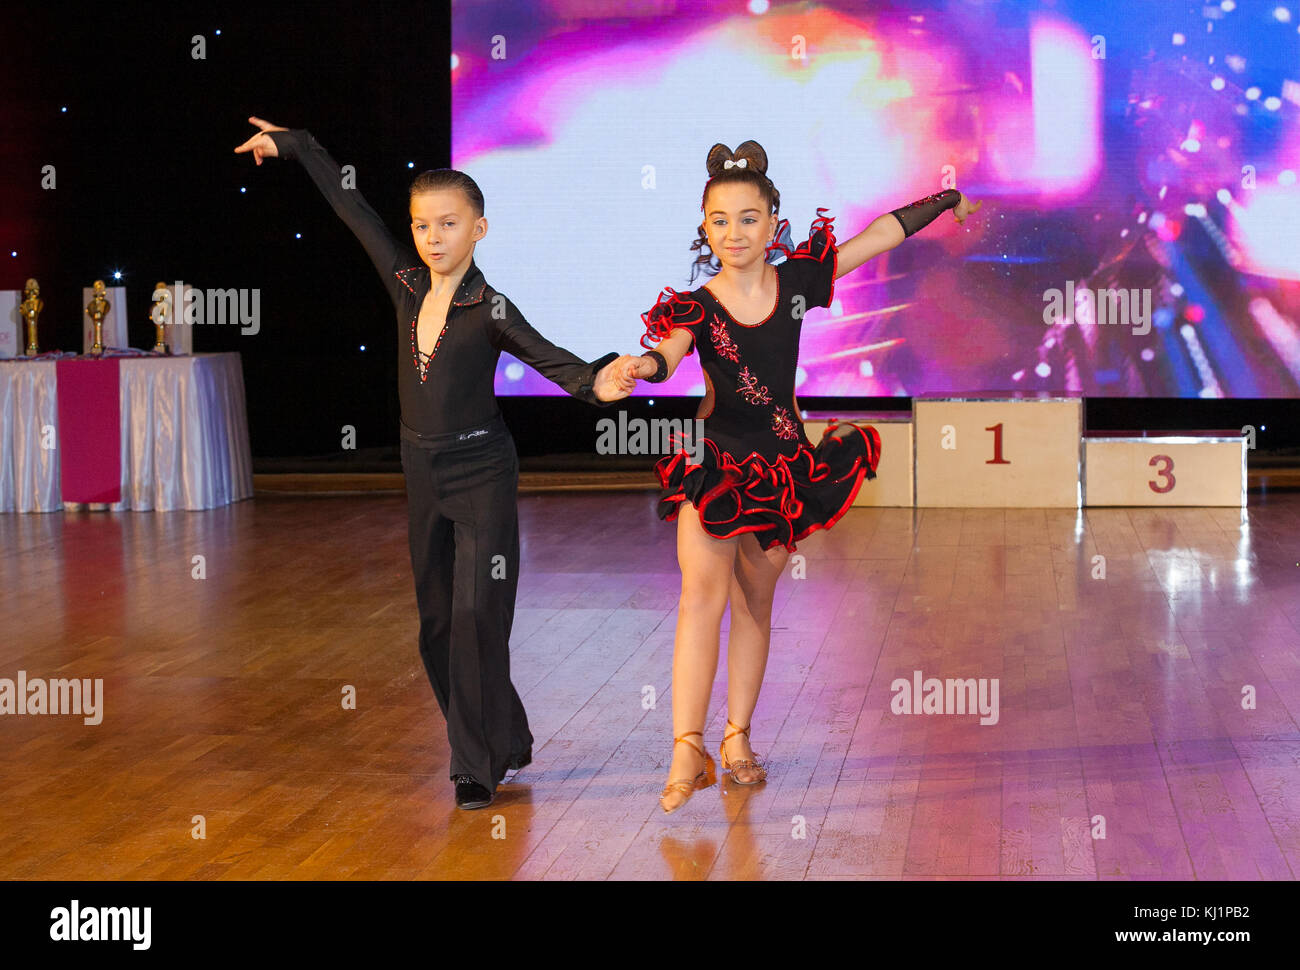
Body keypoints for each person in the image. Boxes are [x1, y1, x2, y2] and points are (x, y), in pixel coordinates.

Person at [235, 116, 637, 810]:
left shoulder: (492, 308)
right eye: (422, 226)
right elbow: (349, 206)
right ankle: (502, 735)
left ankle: (472, 768)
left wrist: (597, 382)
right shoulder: (404, 284)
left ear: (479, 229)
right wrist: (299, 143)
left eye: (448, 225)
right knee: (439, 627)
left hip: (483, 473)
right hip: (421, 473)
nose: (433, 238)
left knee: (479, 616)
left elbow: (549, 357)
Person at [624, 141, 981, 812]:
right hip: (712, 464)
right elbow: (664, 358)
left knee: (755, 604)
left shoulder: (798, 283)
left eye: (749, 218)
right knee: (700, 597)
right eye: (721, 220)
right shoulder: (694, 308)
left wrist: (946, 199)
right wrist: (636, 370)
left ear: (773, 222)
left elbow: (877, 237)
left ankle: (735, 740)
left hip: (783, 466)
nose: (735, 233)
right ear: (704, 227)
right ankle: (685, 746)